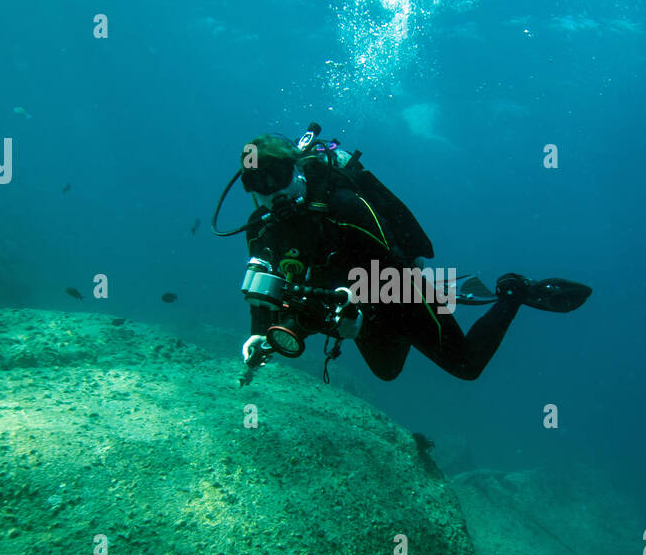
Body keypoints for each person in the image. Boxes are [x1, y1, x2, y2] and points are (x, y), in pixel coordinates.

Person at [217, 127, 591, 382]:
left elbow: (394, 267)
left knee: (466, 366)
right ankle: (427, 314)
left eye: (277, 177)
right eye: (257, 184)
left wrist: (362, 311)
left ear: (297, 170)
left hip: (397, 286)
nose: (271, 193)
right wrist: (258, 333)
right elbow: (263, 283)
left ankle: (514, 291)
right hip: (343, 301)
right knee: (387, 371)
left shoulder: (344, 207)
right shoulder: (260, 227)